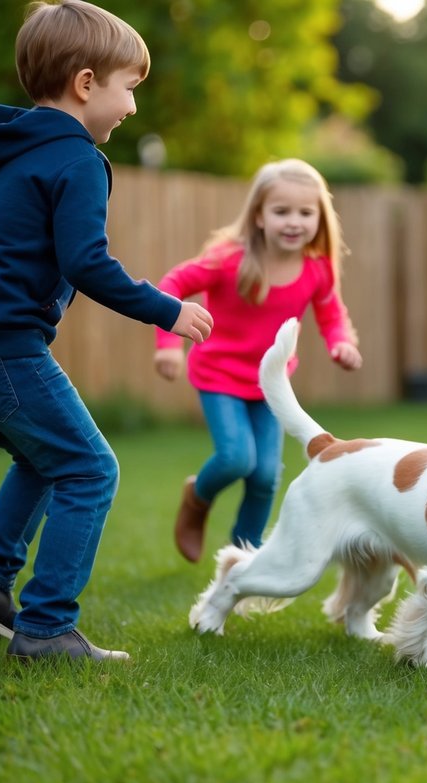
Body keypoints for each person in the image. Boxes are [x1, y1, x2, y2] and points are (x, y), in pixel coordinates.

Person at [0, 0, 213, 662]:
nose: (132, 108)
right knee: (88, 466)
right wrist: (167, 309)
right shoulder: (75, 159)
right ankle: (47, 628)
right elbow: (86, 262)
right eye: (128, 89)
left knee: (44, 454)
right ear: (84, 84)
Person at [155, 159, 362, 563]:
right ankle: (196, 497)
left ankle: (242, 558)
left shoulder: (317, 270)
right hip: (218, 375)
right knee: (236, 458)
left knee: (265, 476)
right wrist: (167, 343)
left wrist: (341, 343)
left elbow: (332, 314)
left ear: (320, 218)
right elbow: (173, 284)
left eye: (305, 212)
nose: (294, 221)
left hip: (271, 384)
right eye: (281, 211)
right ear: (259, 216)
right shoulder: (229, 260)